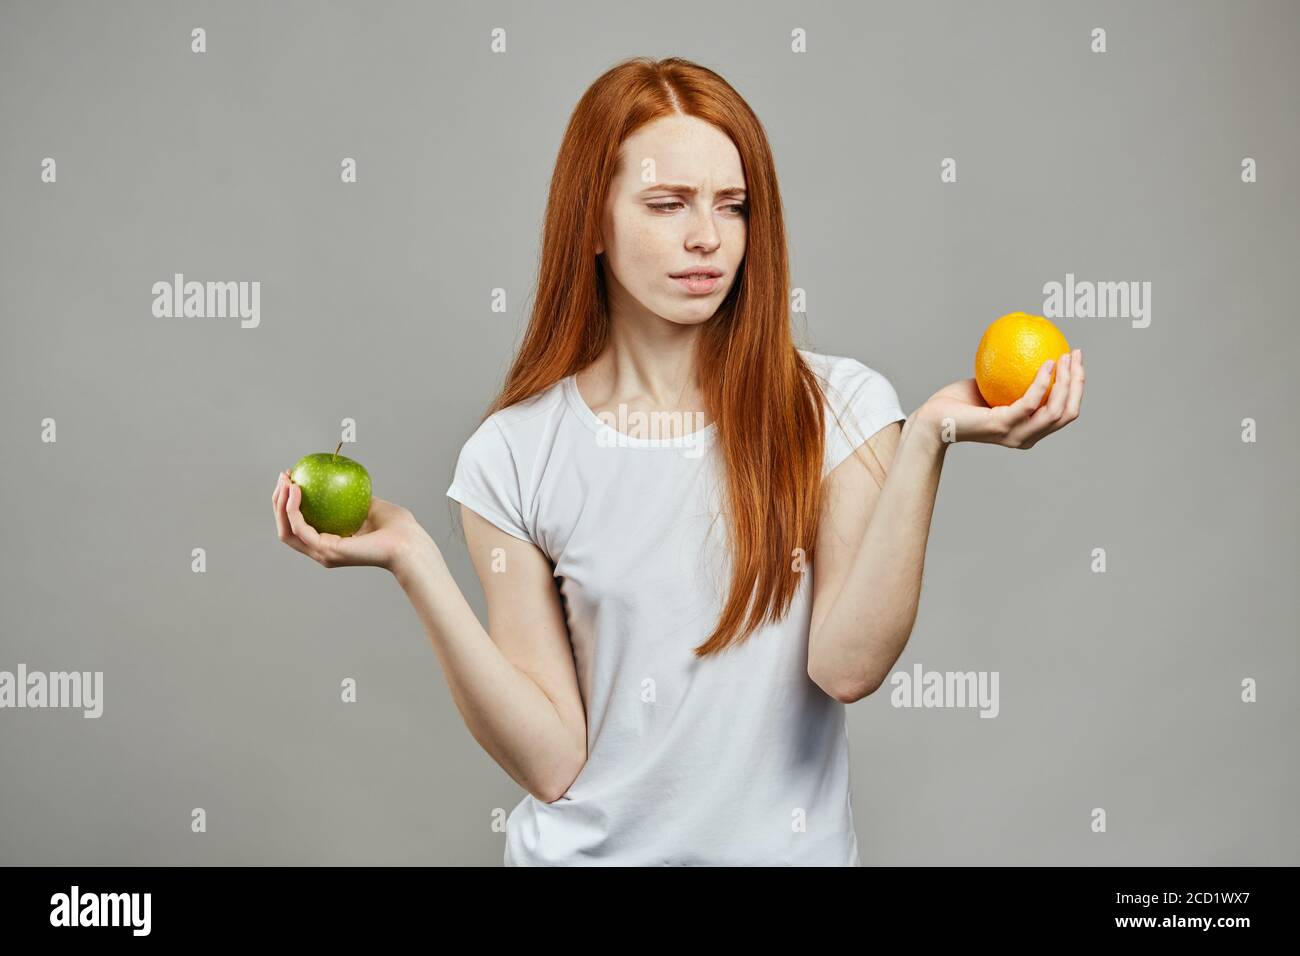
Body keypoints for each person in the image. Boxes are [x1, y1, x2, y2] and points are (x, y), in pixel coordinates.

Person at [271, 56, 1085, 866]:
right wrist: (414, 558)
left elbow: (847, 666)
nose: (707, 237)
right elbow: (553, 763)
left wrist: (928, 441)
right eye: (667, 204)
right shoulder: (510, 456)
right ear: (591, 222)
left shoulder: (842, 408)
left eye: (731, 207)